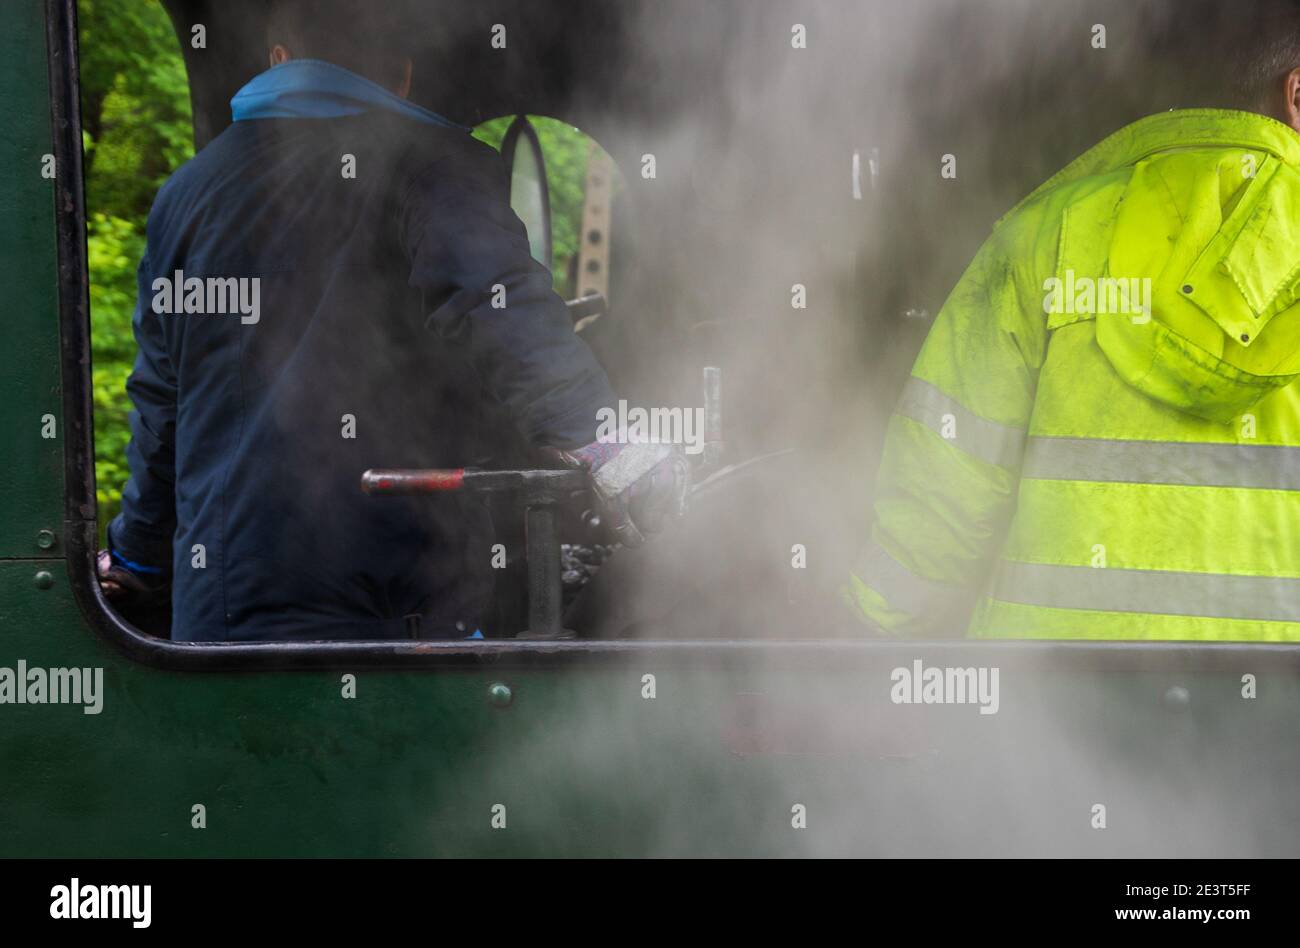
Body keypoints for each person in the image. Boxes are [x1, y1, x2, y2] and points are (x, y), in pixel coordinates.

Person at [97, 0, 681, 641]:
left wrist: (138, 560)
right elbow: (497, 297)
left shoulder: (183, 195)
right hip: (387, 612)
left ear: (279, 61)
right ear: (402, 75)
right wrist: (610, 445)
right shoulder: (431, 165)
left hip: (217, 618)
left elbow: (161, 402)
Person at [845, 1, 1300, 641]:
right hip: (1280, 719)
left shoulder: (1045, 238)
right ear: (1296, 92)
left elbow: (939, 495)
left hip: (1051, 709)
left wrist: (861, 647)